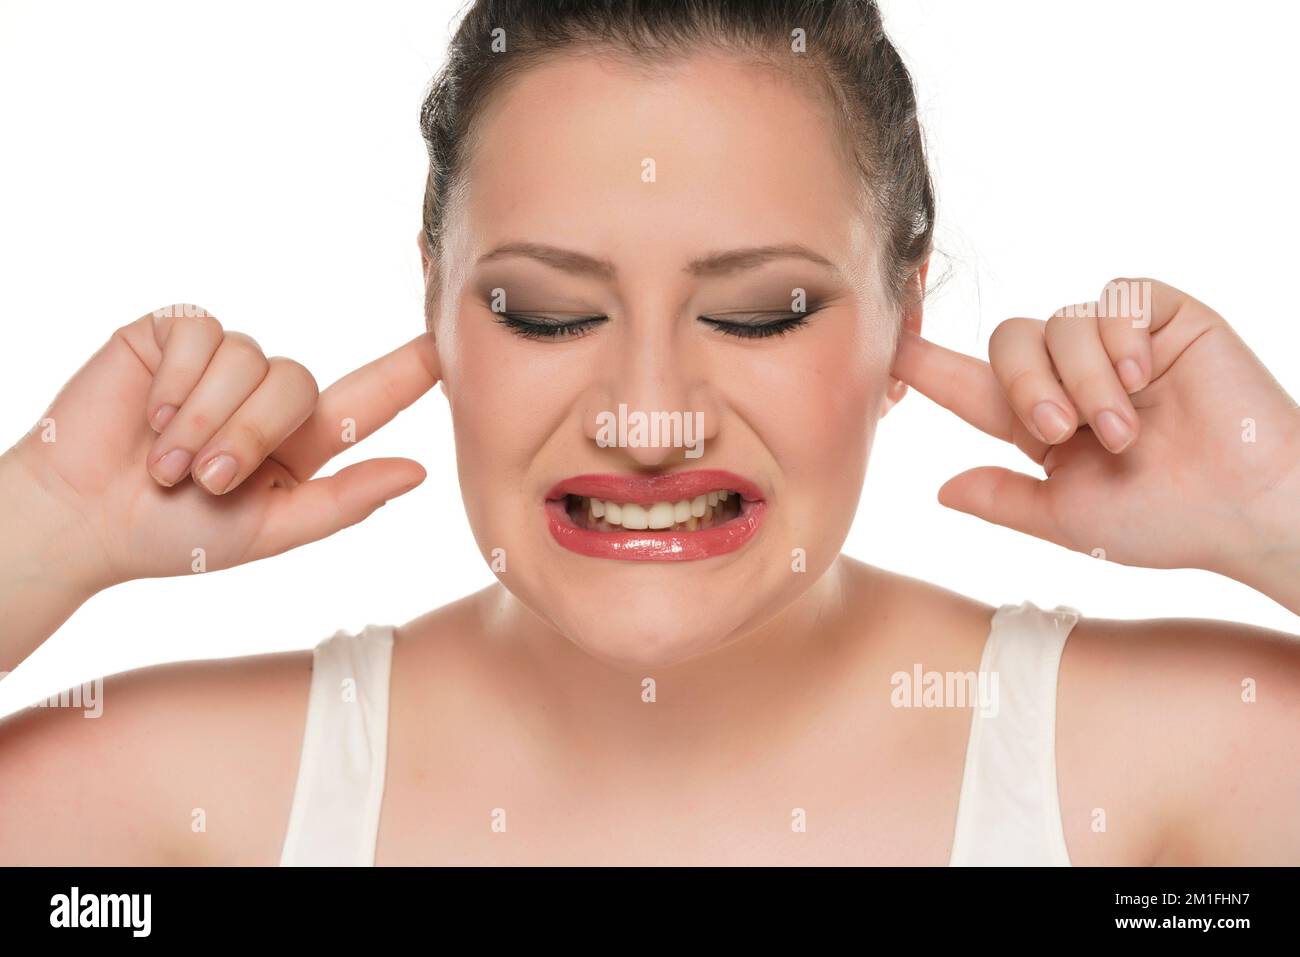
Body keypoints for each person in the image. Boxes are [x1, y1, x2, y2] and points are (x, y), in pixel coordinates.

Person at [1, 0, 1297, 866]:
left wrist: (1278, 504)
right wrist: (45, 528)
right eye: (547, 310)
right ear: (435, 307)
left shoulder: (1169, 763)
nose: (649, 417)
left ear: (906, 312)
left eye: (761, 309)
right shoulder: (182, 796)